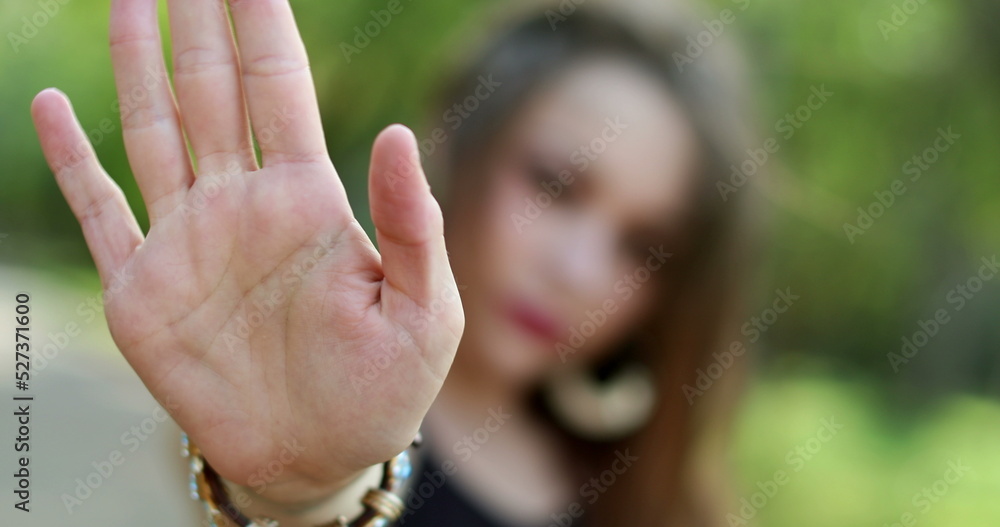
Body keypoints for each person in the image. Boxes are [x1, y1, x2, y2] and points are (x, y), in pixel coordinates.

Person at [30, 0, 758, 525]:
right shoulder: (333, 412)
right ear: (457, 138)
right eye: (555, 184)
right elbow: (313, 493)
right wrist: (305, 487)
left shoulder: (649, 497)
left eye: (643, 246)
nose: (579, 269)